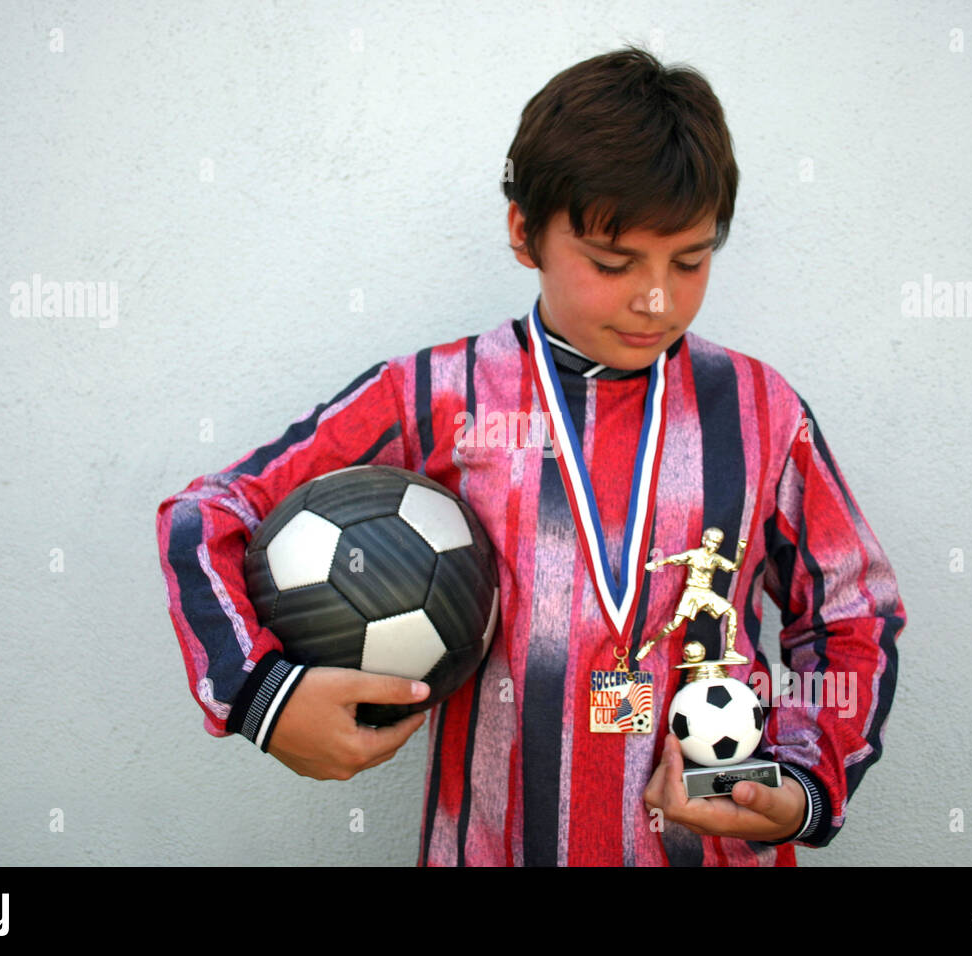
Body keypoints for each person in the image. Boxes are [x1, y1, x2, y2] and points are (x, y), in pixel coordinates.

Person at [156, 45, 906, 866]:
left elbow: (850, 609)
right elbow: (209, 513)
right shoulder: (441, 394)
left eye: (690, 261)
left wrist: (797, 783)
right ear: (525, 233)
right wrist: (264, 694)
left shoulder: (761, 410)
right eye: (613, 264)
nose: (656, 298)